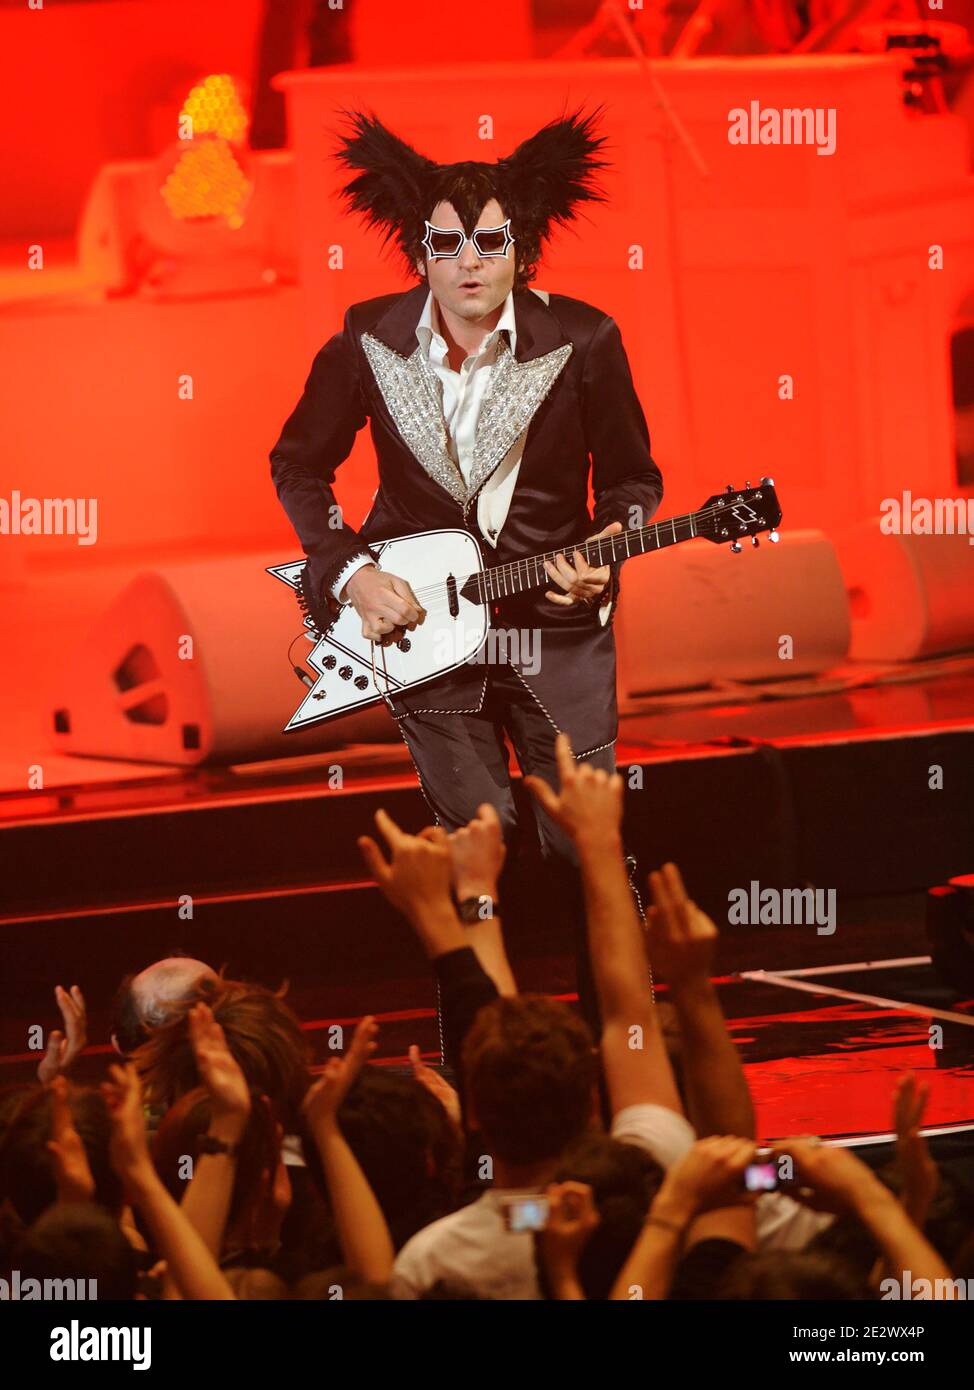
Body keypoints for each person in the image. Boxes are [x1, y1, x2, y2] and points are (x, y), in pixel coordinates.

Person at [270, 109, 663, 1027]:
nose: (470, 262)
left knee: (586, 844)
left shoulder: (587, 338)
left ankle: (635, 1053)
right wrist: (349, 571)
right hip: (422, 631)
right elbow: (299, 462)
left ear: (523, 248)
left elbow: (634, 480)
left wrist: (610, 555)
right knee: (475, 847)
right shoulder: (367, 338)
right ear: (418, 253)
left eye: (491, 241)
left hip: (554, 627)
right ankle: (487, 1067)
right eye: (448, 244)